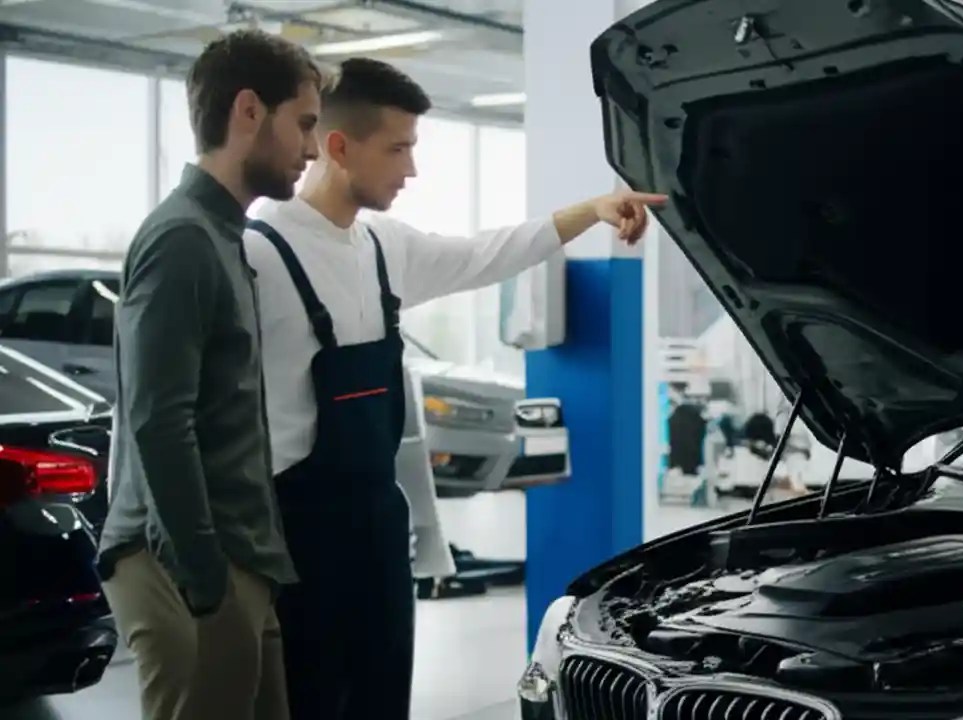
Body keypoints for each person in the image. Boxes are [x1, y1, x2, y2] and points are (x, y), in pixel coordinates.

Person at [241, 57, 666, 719]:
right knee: (309, 700)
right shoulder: (258, 255)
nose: (411, 169)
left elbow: (484, 253)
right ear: (338, 147)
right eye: (399, 148)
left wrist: (591, 210)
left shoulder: (384, 246)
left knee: (382, 697)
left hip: (378, 523)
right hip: (295, 535)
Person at [97, 30, 321, 720]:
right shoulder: (183, 239)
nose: (312, 149)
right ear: (249, 110)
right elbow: (158, 420)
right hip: (191, 568)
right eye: (305, 124)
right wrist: (205, 581)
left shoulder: (222, 237)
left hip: (237, 563)